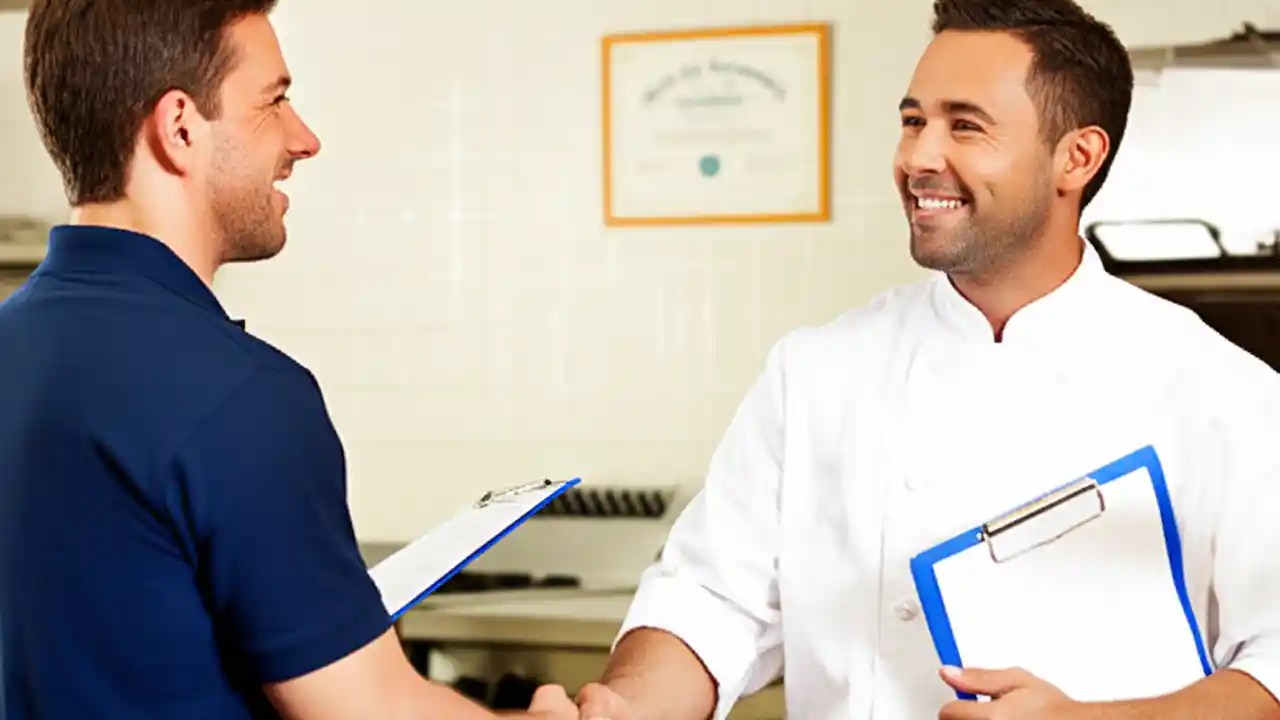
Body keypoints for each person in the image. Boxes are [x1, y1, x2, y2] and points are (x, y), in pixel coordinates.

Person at [571, 1, 1280, 718]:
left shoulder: (1222, 390)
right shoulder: (817, 373)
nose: (916, 157)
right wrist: (625, 706)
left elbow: (1274, 664)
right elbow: (709, 601)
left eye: (964, 125)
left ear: (1077, 157)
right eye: (914, 121)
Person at [0, 2, 575, 719]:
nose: (304, 139)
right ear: (180, 128)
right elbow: (368, 711)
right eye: (273, 101)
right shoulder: (241, 393)